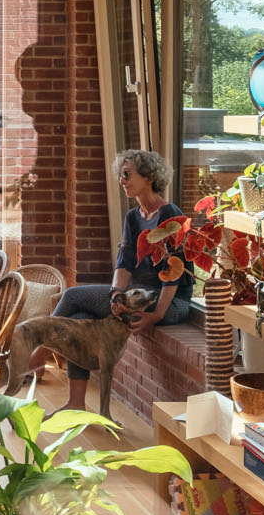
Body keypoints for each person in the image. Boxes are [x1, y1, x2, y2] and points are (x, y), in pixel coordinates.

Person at [14, 148, 192, 410]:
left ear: (149, 177)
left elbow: (173, 273)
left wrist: (155, 315)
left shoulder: (169, 215)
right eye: (121, 175)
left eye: (128, 174)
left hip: (169, 301)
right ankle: (76, 403)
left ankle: (41, 349)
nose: (123, 180)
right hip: (138, 295)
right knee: (76, 320)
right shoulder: (134, 216)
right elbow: (125, 263)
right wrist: (115, 295)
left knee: (73, 296)